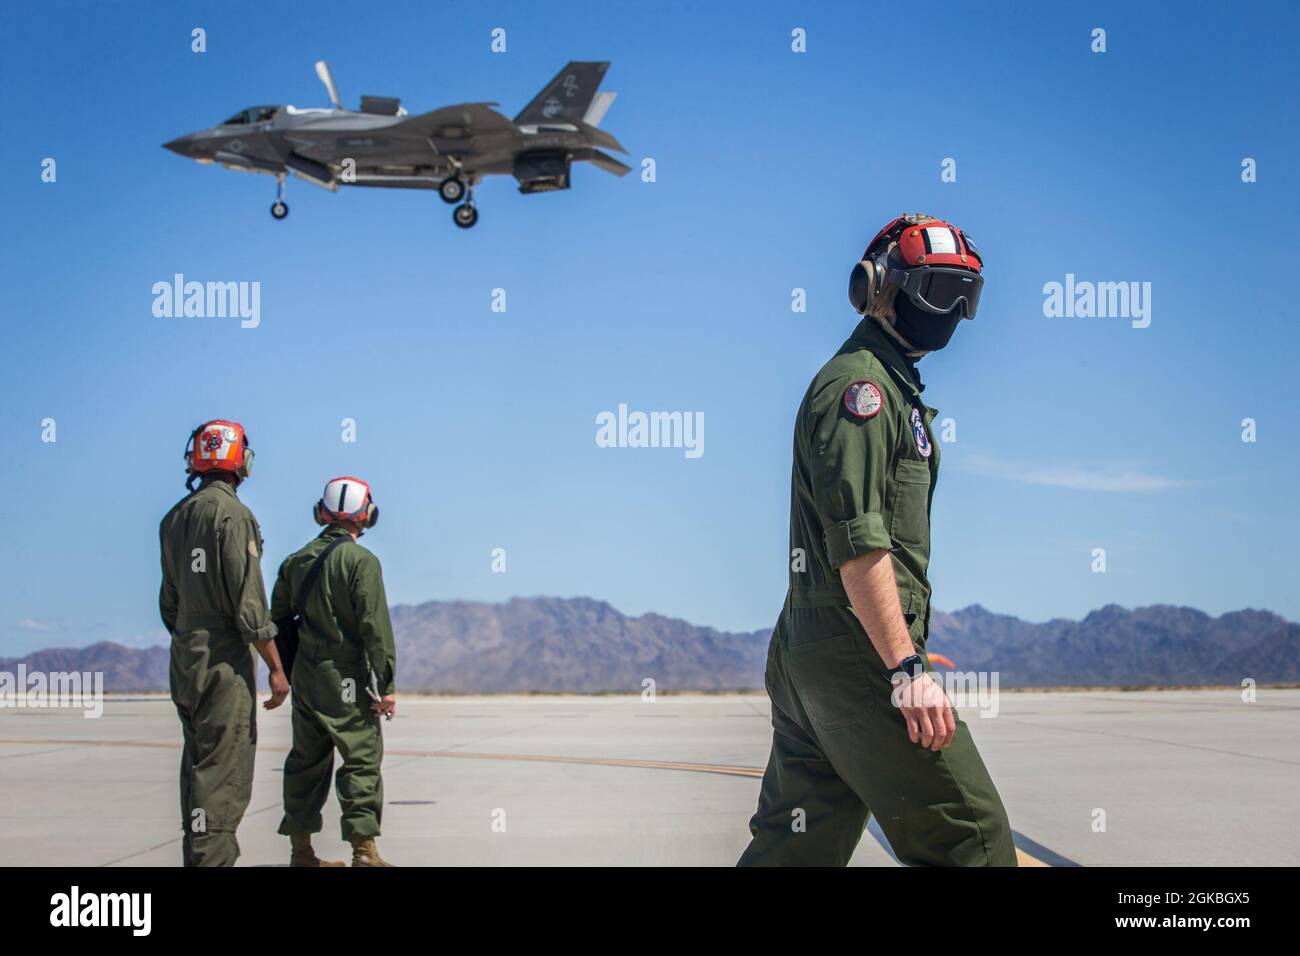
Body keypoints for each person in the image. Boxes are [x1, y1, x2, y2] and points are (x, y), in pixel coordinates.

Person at [738, 215, 1017, 867]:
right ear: (879, 287)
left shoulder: (892, 386)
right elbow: (858, 543)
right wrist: (902, 666)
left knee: (797, 846)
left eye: (961, 295)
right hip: (858, 658)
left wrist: (903, 642)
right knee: (969, 838)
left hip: (824, 651)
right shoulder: (862, 390)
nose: (947, 311)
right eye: (931, 290)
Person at [159, 419, 288, 866]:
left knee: (197, 774)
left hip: (186, 659)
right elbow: (249, 605)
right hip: (222, 663)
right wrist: (274, 665)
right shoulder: (235, 517)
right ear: (242, 462)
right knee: (223, 776)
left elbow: (169, 604)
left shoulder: (174, 518)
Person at [272, 476, 397, 867]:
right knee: (360, 758)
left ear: (321, 513)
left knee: (305, 761)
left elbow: (277, 620)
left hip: (305, 677)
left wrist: (285, 672)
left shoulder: (294, 561)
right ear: (368, 516)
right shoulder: (362, 562)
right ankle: (364, 852)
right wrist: (387, 683)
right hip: (344, 678)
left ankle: (302, 853)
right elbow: (374, 627)